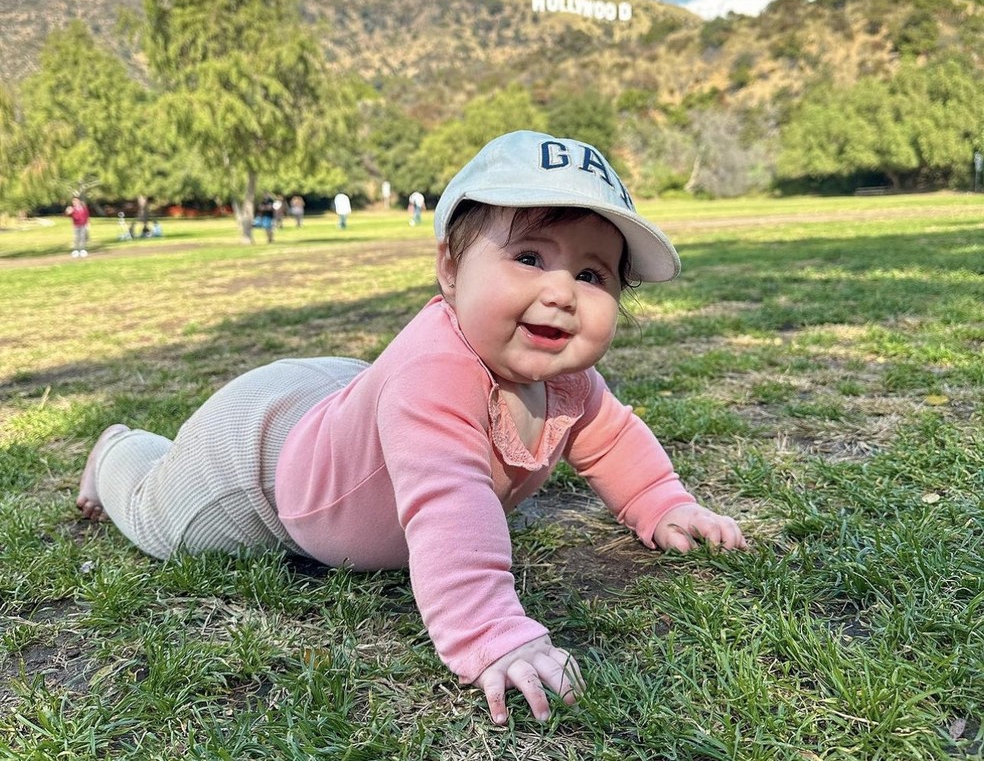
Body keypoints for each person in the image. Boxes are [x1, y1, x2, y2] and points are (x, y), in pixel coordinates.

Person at [77, 130, 745, 726]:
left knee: (380, 398)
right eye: (532, 258)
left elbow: (613, 438)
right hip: (254, 465)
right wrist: (493, 630)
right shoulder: (434, 379)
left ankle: (353, 396)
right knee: (159, 516)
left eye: (593, 273)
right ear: (450, 269)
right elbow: (447, 499)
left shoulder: (565, 377)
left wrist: (664, 503)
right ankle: (117, 450)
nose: (562, 291)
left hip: (341, 393)